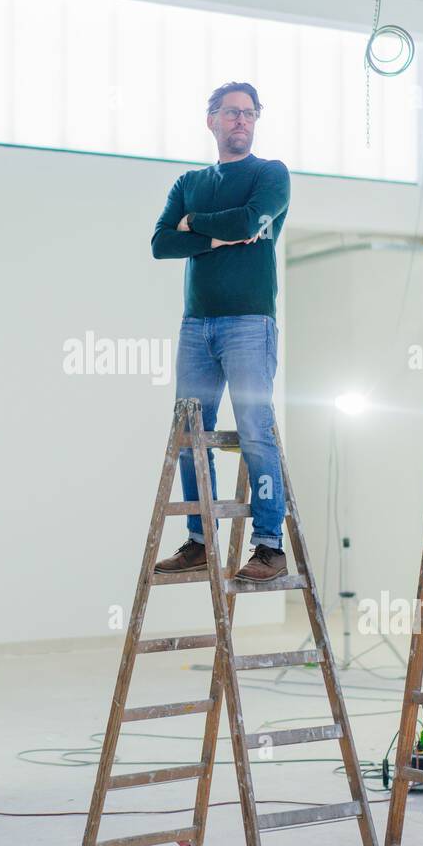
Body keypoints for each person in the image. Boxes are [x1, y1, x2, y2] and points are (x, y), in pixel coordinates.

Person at [151, 81, 290, 582]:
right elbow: (162, 244)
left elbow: (251, 219)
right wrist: (217, 232)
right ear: (211, 119)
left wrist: (195, 229)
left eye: (249, 114)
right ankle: (199, 539)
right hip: (196, 325)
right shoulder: (189, 181)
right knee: (191, 433)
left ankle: (270, 546)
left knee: (255, 428)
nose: (241, 122)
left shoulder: (270, 175)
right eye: (232, 113)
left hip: (250, 322)